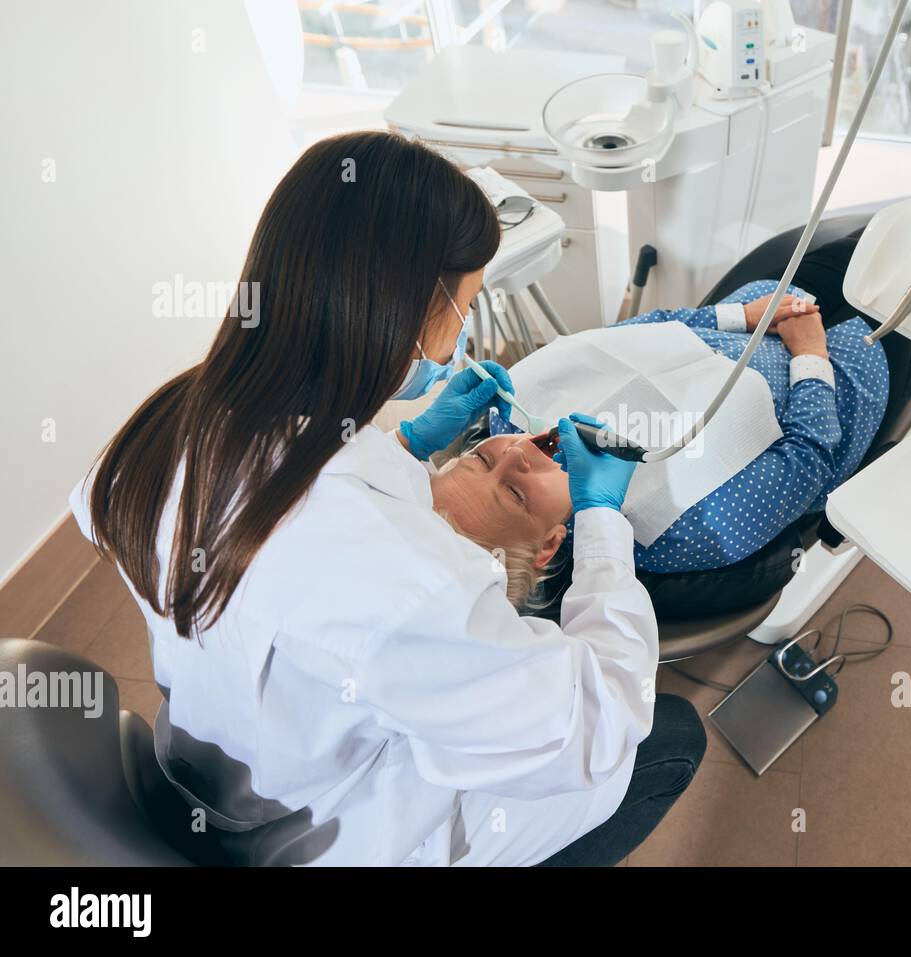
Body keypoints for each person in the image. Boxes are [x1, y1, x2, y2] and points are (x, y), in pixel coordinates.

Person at [70, 130, 704, 867]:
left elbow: (296, 536)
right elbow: (596, 728)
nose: (514, 446)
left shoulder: (166, 425)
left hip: (219, 766)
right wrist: (601, 523)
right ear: (411, 319)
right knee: (668, 740)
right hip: (332, 834)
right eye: (464, 308)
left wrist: (402, 452)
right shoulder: (414, 584)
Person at [429, 249, 889, 613]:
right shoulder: (677, 527)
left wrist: (738, 317)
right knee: (907, 292)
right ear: (549, 545)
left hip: (760, 317)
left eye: (480, 459)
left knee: (872, 247)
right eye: (513, 492)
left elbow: (630, 335)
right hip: (843, 372)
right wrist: (810, 353)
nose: (511, 454)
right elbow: (810, 454)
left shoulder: (510, 410)